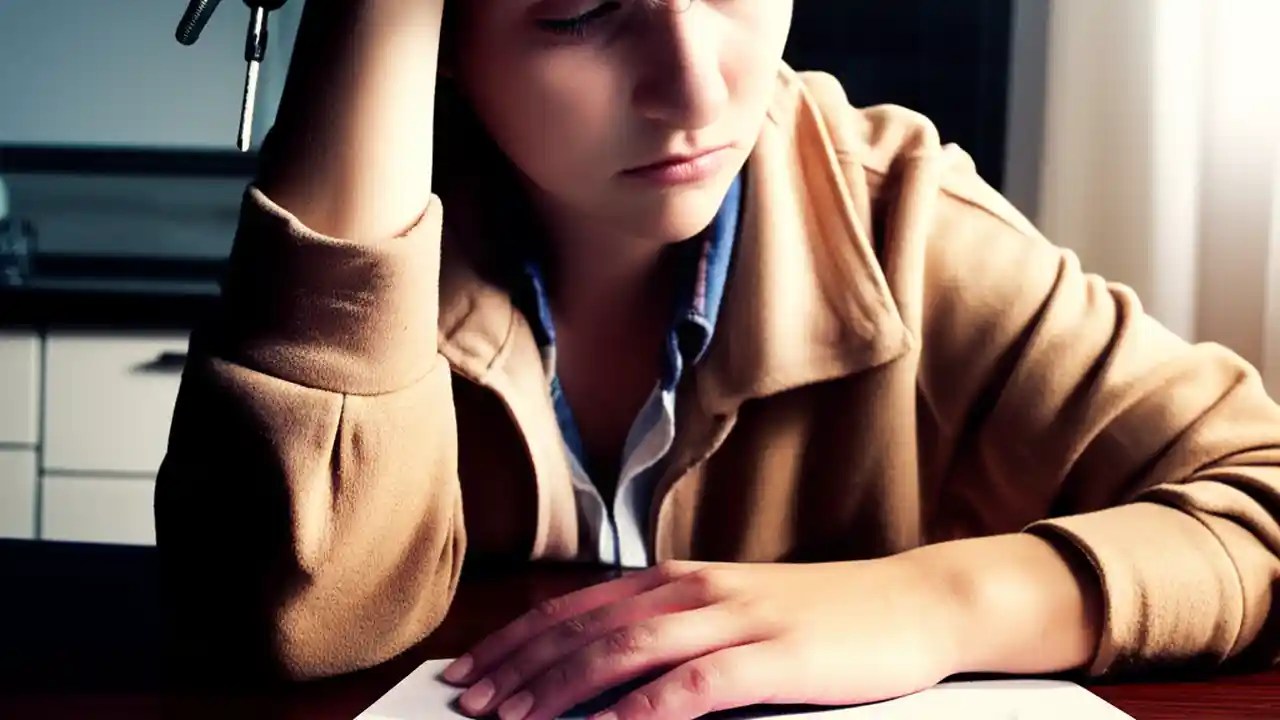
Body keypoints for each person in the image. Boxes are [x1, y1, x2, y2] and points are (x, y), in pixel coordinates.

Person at [154, 1, 1280, 718]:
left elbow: (1261, 495)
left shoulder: (901, 220)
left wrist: (928, 606)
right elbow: (297, 617)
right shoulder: (383, 213)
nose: (697, 88)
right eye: (581, 11)